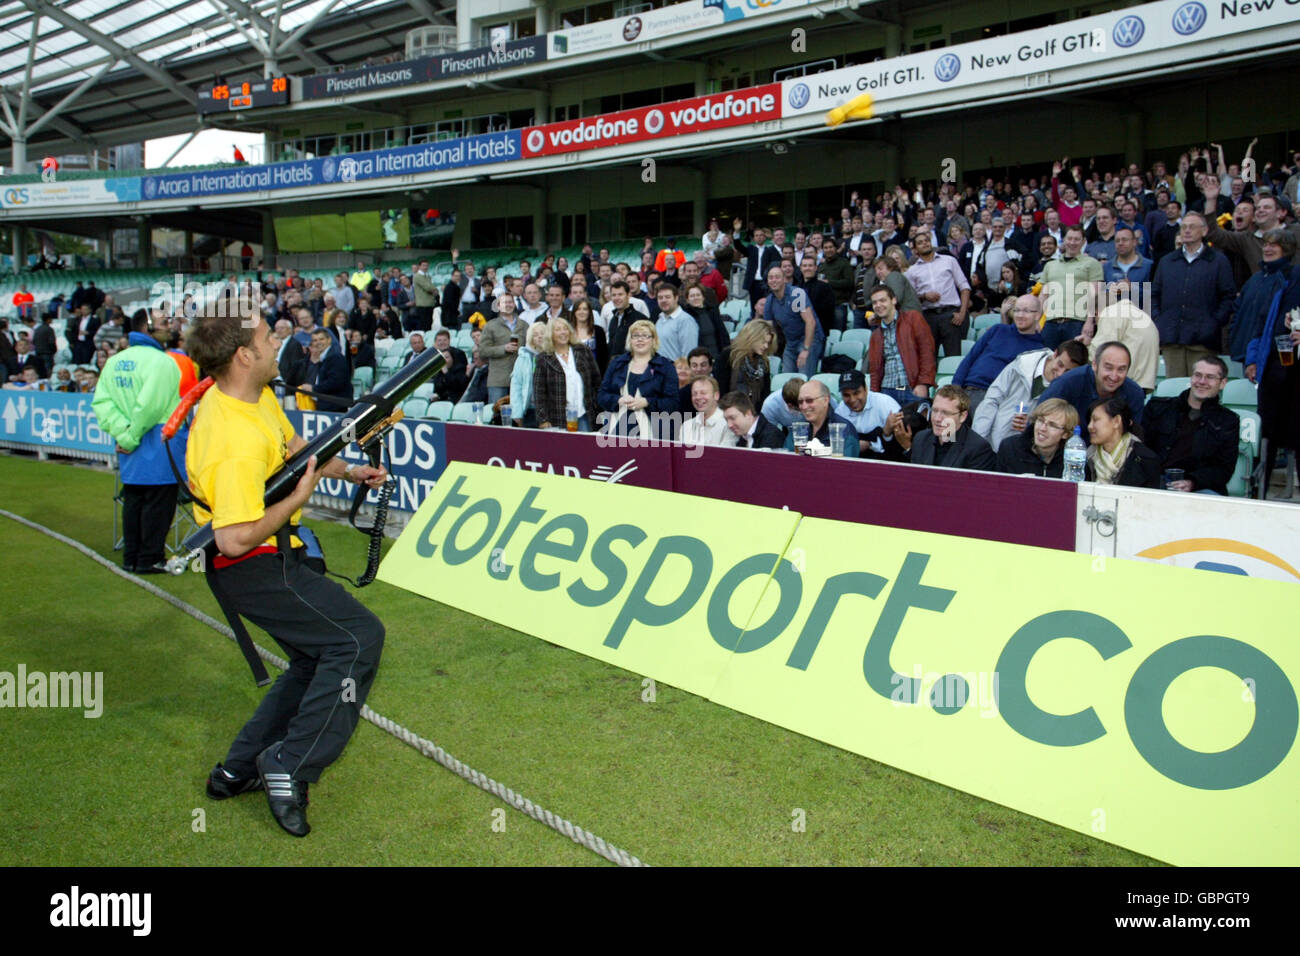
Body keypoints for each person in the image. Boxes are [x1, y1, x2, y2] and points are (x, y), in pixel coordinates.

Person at [185, 312, 387, 837]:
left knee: (312, 658)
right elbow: (233, 538)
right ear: (243, 357)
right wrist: (298, 501)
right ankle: (290, 764)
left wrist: (350, 470)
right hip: (253, 564)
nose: (279, 343)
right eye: (267, 339)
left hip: (272, 555)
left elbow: (296, 454)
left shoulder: (255, 397)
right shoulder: (230, 439)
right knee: (358, 639)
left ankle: (237, 770)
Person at [91, 311, 191, 574]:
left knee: (134, 498)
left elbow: (102, 403)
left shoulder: (115, 362)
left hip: (130, 441)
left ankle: (131, 557)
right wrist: (132, 435)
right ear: (147, 327)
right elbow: (149, 405)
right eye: (164, 323)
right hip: (159, 440)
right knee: (159, 502)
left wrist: (124, 434)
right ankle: (149, 558)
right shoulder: (163, 362)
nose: (170, 327)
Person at [1151, 211, 1237, 377]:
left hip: (1203, 341)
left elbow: (1228, 297)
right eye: (1183, 227)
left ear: (1204, 231)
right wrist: (1159, 319)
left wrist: (1214, 323)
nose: (1187, 230)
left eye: (1192, 227)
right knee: (1174, 391)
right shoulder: (1167, 261)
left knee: (1202, 388)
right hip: (1172, 339)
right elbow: (1154, 294)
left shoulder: (1218, 261)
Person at [1141, 356, 1239, 495]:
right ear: (1191, 378)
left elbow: (1223, 469)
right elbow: (1139, 449)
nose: (1202, 381)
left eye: (1210, 377)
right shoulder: (1158, 408)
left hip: (1200, 488)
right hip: (1154, 483)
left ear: (1222, 383)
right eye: (1198, 375)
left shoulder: (1228, 421)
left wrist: (1192, 482)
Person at [971, 340, 1088, 451]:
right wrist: (979, 442)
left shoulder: (1068, 388)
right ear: (1055, 354)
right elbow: (991, 401)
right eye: (1060, 365)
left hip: (1026, 452)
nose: (1061, 373)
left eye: (1068, 371)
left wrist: (1032, 423)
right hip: (991, 444)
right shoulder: (1021, 365)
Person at [953, 294, 1045, 413]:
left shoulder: (1038, 348)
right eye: (1017, 310)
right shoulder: (998, 330)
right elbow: (970, 358)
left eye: (1026, 311)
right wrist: (955, 388)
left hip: (995, 399)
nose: (1020, 315)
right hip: (966, 391)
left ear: (1037, 315)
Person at [1038, 340, 1146, 432]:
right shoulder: (1068, 382)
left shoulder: (1134, 394)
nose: (1114, 376)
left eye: (1121, 369)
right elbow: (1038, 420)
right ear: (1094, 365)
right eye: (1108, 367)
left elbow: (1133, 438)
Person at [598, 319, 679, 439]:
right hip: (617, 428)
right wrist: (618, 400)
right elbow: (602, 396)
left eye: (645, 336)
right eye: (635, 336)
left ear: (653, 340)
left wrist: (646, 402)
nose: (640, 339)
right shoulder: (617, 363)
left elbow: (673, 403)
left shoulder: (666, 367)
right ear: (630, 340)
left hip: (655, 431)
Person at [864, 283, 935, 407]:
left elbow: (927, 353)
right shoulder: (876, 335)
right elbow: (875, 370)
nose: (878, 305)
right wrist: (875, 395)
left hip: (912, 388)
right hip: (887, 392)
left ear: (894, 300)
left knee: (917, 426)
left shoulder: (913, 319)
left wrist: (923, 383)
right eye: (875, 302)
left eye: (882, 300)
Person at [1038, 225, 1103, 350]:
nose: (1072, 243)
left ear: (1083, 241)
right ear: (1064, 240)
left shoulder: (1092, 263)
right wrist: (1037, 321)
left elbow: (1095, 295)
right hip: (1051, 322)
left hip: (1077, 322)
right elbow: (1043, 296)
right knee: (1048, 361)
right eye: (1070, 239)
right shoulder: (1050, 265)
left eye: (1077, 239)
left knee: (1074, 363)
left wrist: (1090, 322)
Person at [533, 317, 600, 432]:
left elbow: (596, 381)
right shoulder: (543, 358)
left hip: (584, 415)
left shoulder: (583, 351)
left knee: (586, 449)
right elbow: (539, 392)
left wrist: (597, 408)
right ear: (550, 334)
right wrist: (543, 420)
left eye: (565, 329)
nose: (563, 332)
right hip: (557, 418)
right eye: (558, 329)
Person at [907, 384, 996, 470]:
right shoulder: (921, 439)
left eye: (946, 413)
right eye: (935, 410)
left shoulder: (978, 449)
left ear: (962, 416)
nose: (937, 418)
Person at [1084, 396, 1162, 487]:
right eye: (1089, 421)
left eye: (1095, 420)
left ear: (1116, 421)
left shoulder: (1146, 460)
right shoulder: (1086, 457)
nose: (1090, 426)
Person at [995, 398, 1078, 478]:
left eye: (1052, 425)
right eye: (1041, 420)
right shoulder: (1010, 448)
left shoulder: (1074, 459)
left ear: (1065, 434)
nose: (1042, 428)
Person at [764, 263, 823, 376]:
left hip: (809, 339)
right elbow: (768, 328)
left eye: (777, 277)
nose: (774, 280)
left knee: (803, 377)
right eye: (770, 278)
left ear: (784, 280)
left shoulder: (796, 294)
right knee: (786, 378)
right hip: (791, 342)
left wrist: (806, 349)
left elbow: (810, 322)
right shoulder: (770, 301)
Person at [783, 379, 860, 457]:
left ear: (826, 400)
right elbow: (786, 460)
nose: (804, 407)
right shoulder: (798, 428)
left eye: (809, 400)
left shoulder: (843, 430)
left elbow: (847, 467)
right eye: (800, 402)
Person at [834, 369, 900, 458]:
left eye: (856, 393)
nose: (852, 399)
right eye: (846, 395)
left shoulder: (885, 404)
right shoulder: (840, 411)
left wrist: (873, 442)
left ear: (866, 389)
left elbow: (901, 446)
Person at [480, 291, 529, 405]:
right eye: (504, 302)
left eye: (510, 302)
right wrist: (503, 349)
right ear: (498, 306)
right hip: (498, 380)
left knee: (520, 416)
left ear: (514, 304)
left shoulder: (524, 325)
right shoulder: (490, 325)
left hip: (520, 379)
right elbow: (483, 351)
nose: (507, 305)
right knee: (497, 416)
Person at [716, 318, 775, 411]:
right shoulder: (728, 355)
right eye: (763, 342)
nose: (766, 346)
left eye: (768, 343)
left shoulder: (764, 362)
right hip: (729, 410)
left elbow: (765, 392)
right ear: (752, 337)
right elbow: (721, 388)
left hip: (754, 413)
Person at [298, 328, 352, 412]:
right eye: (315, 340)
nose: (318, 342)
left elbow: (335, 382)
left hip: (335, 407)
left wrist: (313, 388)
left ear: (329, 340)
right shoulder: (323, 358)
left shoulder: (335, 357)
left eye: (321, 339)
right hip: (327, 406)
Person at [509, 321, 548, 426]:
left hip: (550, 412)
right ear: (531, 339)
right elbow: (516, 386)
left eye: (542, 333)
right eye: (535, 335)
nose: (539, 337)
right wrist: (517, 413)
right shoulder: (523, 358)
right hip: (529, 410)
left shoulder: (555, 356)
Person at [720, 390, 785, 448]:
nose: (729, 425)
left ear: (748, 414)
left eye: (732, 418)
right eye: (726, 420)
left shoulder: (772, 436)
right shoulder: (741, 436)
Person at [680, 375, 731, 447]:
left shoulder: (729, 424)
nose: (698, 397)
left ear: (716, 395)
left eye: (703, 393)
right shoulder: (686, 426)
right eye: (694, 394)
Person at [570, 298, 608, 372]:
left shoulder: (598, 331)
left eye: (585, 309)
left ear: (589, 312)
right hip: (573, 373)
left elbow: (604, 357)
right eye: (578, 309)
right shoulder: (568, 331)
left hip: (595, 373)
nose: (582, 312)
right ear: (574, 312)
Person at [411, 260, 436, 332]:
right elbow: (428, 287)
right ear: (419, 266)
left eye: (426, 265)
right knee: (424, 325)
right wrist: (434, 289)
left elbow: (432, 287)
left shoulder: (427, 276)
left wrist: (434, 289)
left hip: (429, 304)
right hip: (422, 304)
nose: (425, 267)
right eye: (423, 265)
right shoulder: (418, 276)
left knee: (429, 324)